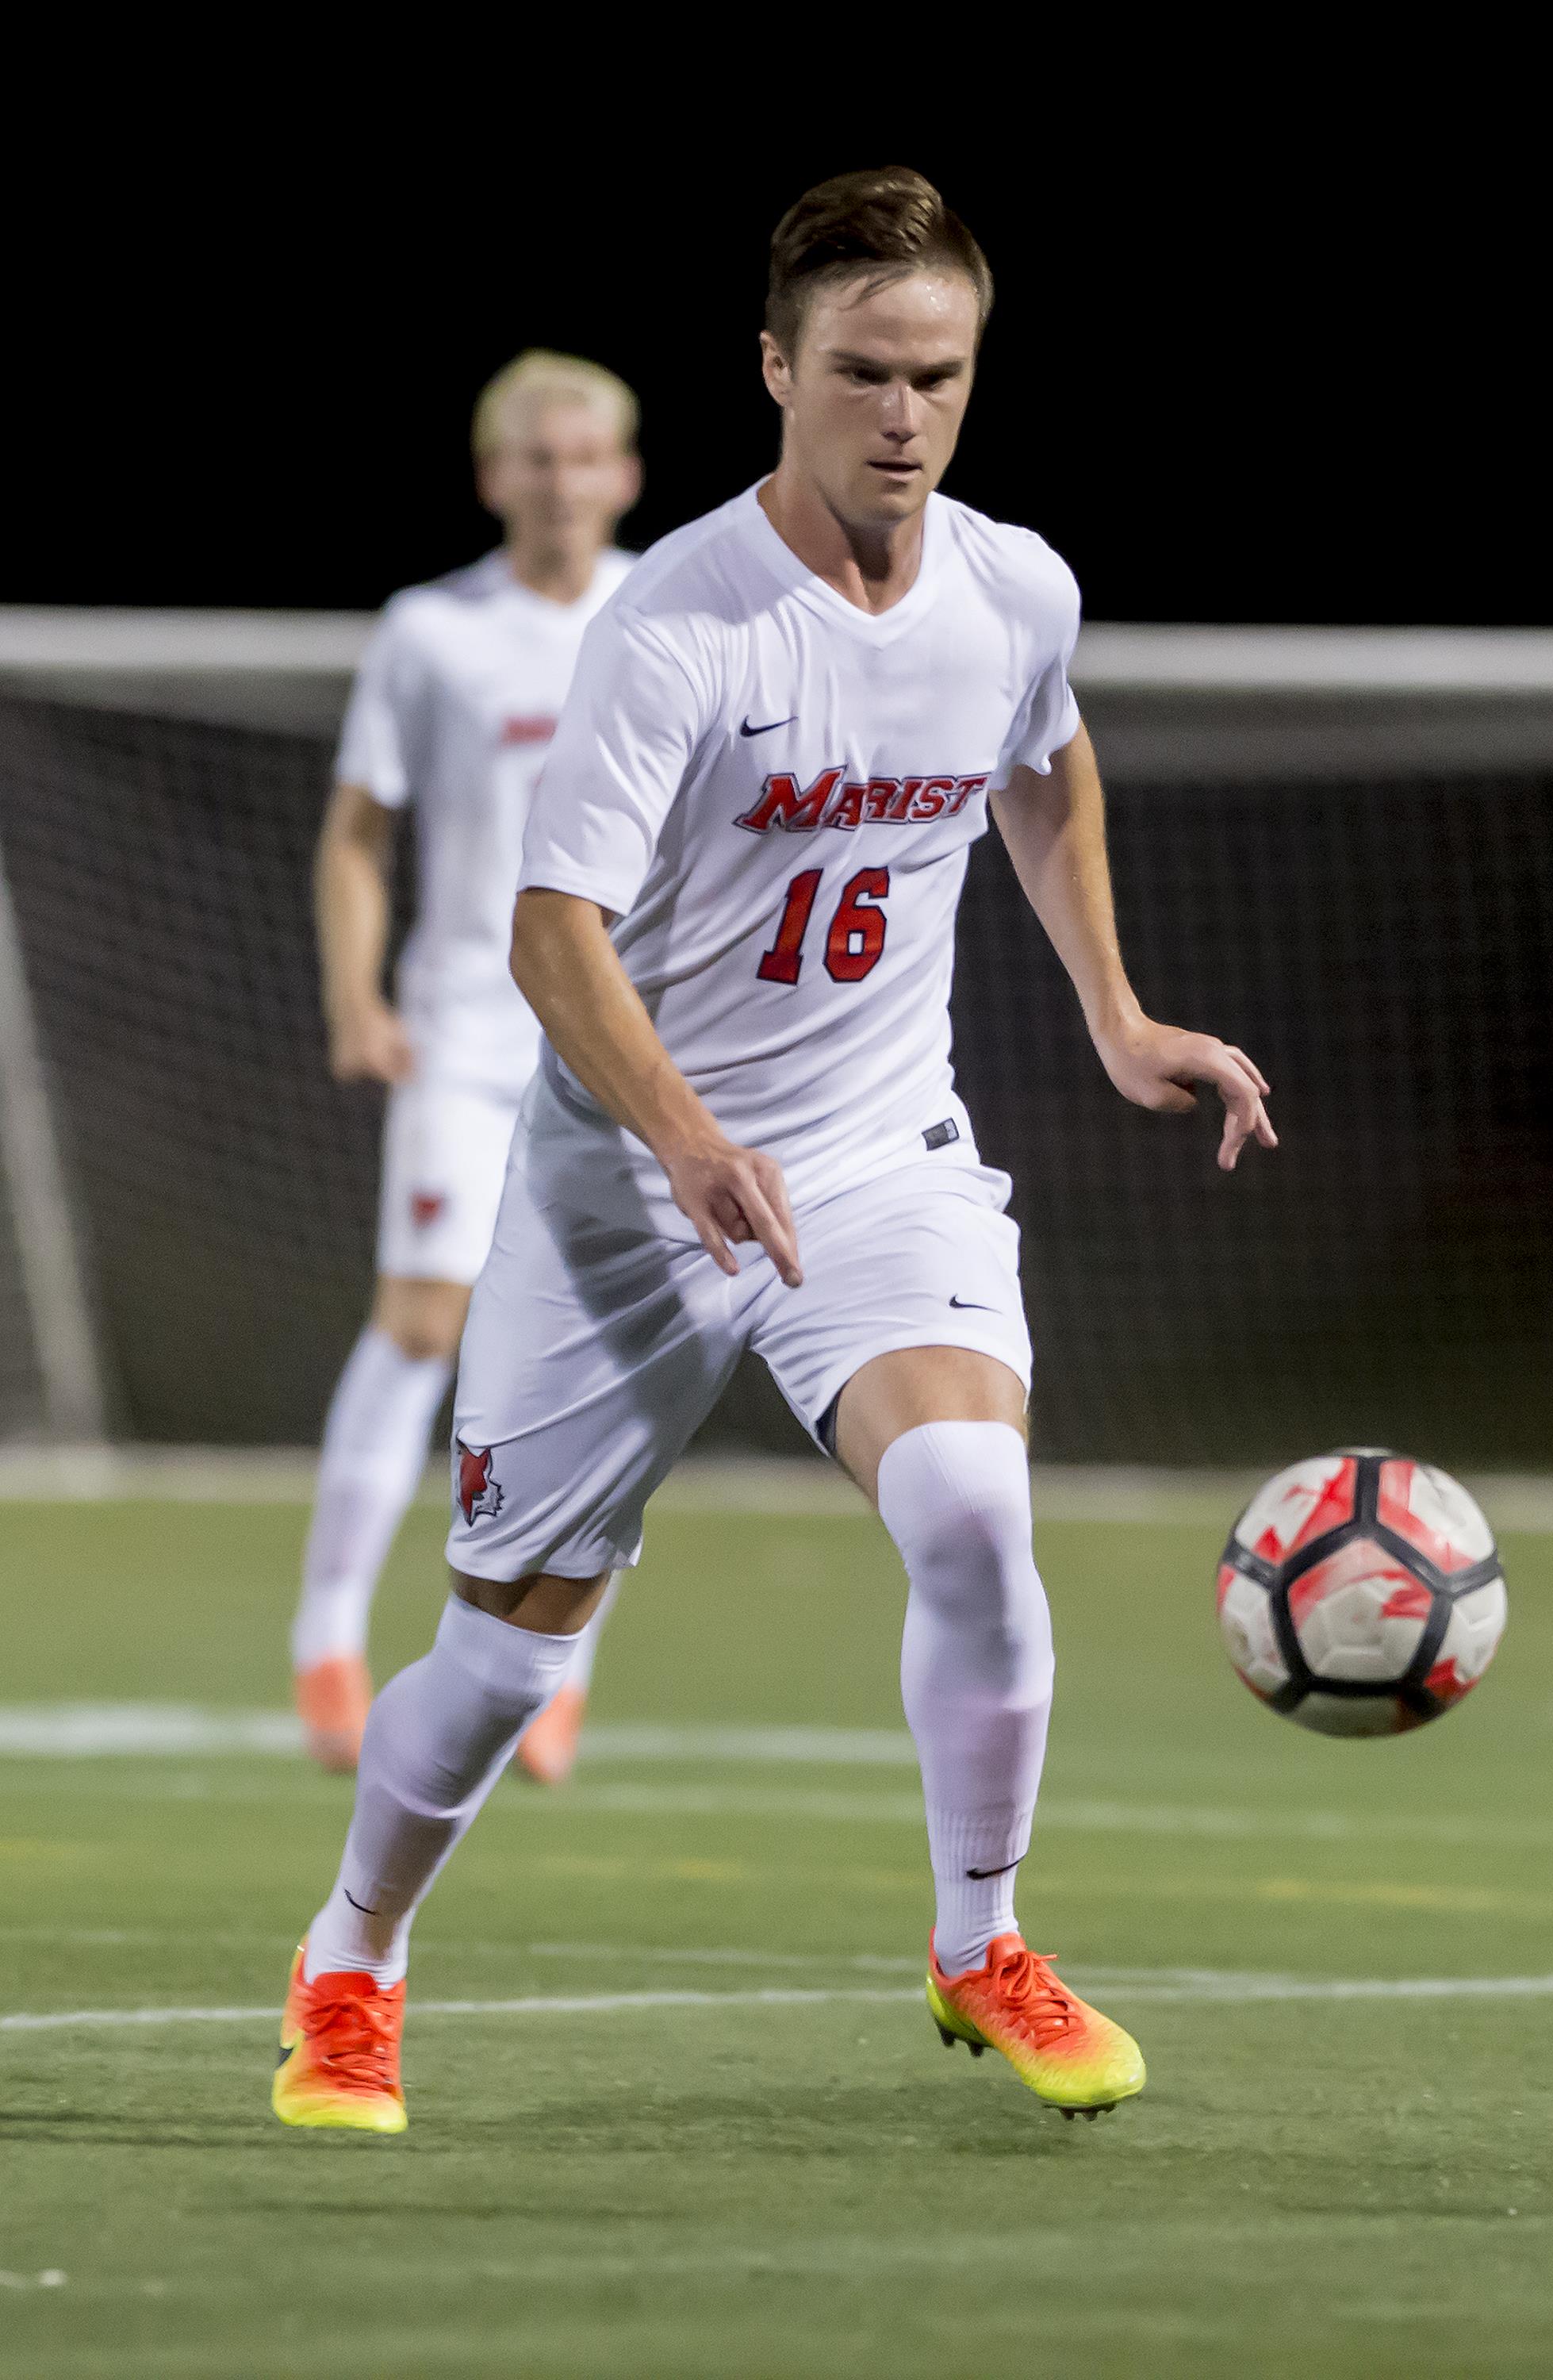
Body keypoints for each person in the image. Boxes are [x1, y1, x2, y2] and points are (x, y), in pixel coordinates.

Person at [273, 167, 1275, 2135]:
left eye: (941, 374)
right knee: (499, 1658)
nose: (904, 415)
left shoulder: (1015, 587)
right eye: (863, 373)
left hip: (879, 1154)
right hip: (626, 1192)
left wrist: (1115, 1012)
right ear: (774, 370)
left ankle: (978, 1935)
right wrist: (685, 1134)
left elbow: (1045, 762)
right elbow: (550, 934)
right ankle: (351, 1955)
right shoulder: (681, 622)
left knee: (976, 1511)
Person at [292, 351, 639, 1783]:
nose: (559, 481)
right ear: (494, 474)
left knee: (616, 1353)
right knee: (427, 1321)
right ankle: (326, 1638)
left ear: (623, 472)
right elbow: (357, 833)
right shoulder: (432, 633)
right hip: (466, 1026)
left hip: (625, 1039)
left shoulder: (668, 612)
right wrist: (356, 996)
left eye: (585, 456)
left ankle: (553, 1675)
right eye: (533, 457)